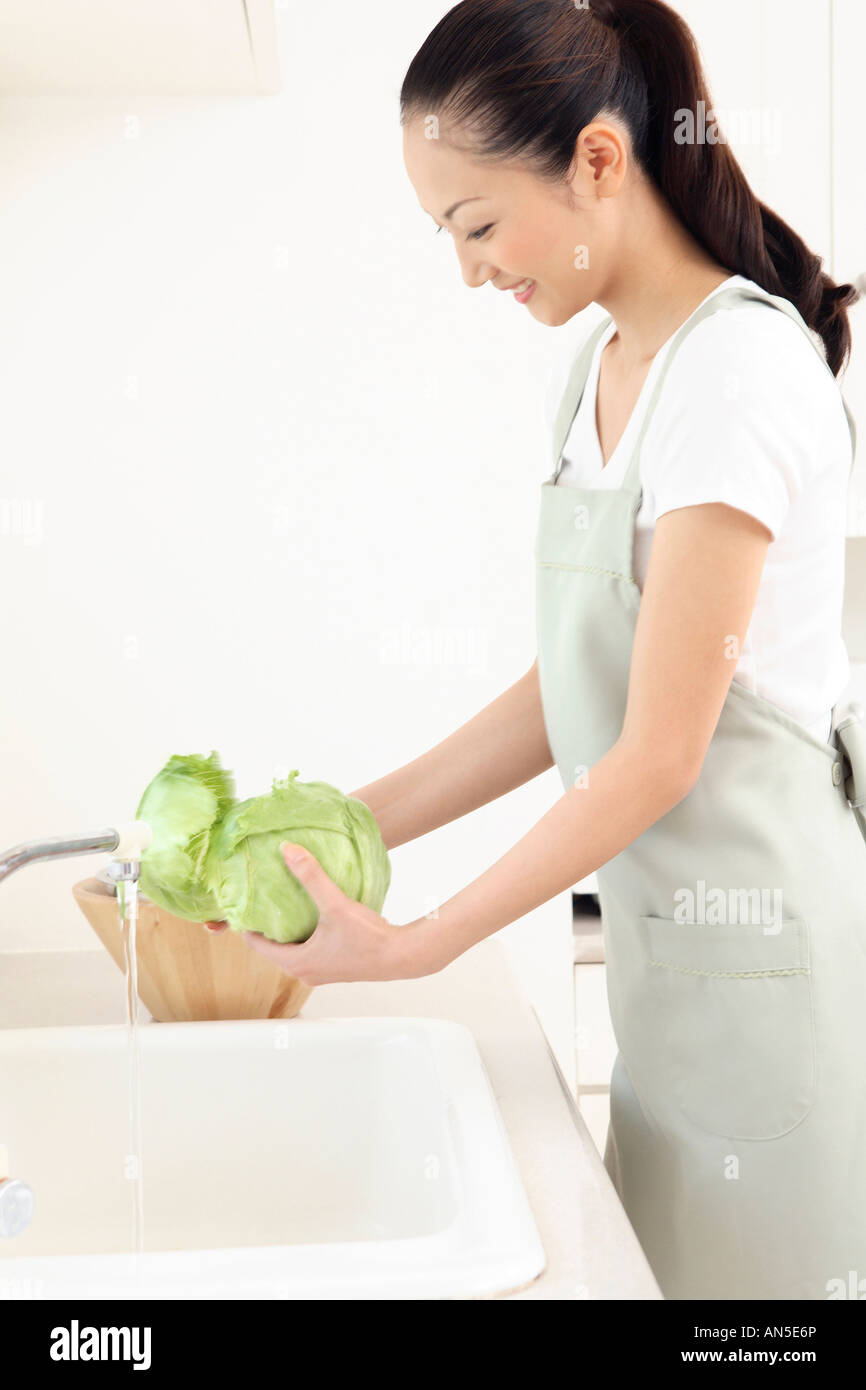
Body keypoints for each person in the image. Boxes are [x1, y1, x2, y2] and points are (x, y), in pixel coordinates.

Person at [210, 0, 866, 1300]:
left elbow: (659, 751)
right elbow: (571, 692)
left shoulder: (732, 377)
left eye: (475, 225)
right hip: (674, 975)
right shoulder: (605, 371)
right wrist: (341, 824)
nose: (467, 271)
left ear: (600, 161)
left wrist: (422, 940)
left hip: (763, 981)